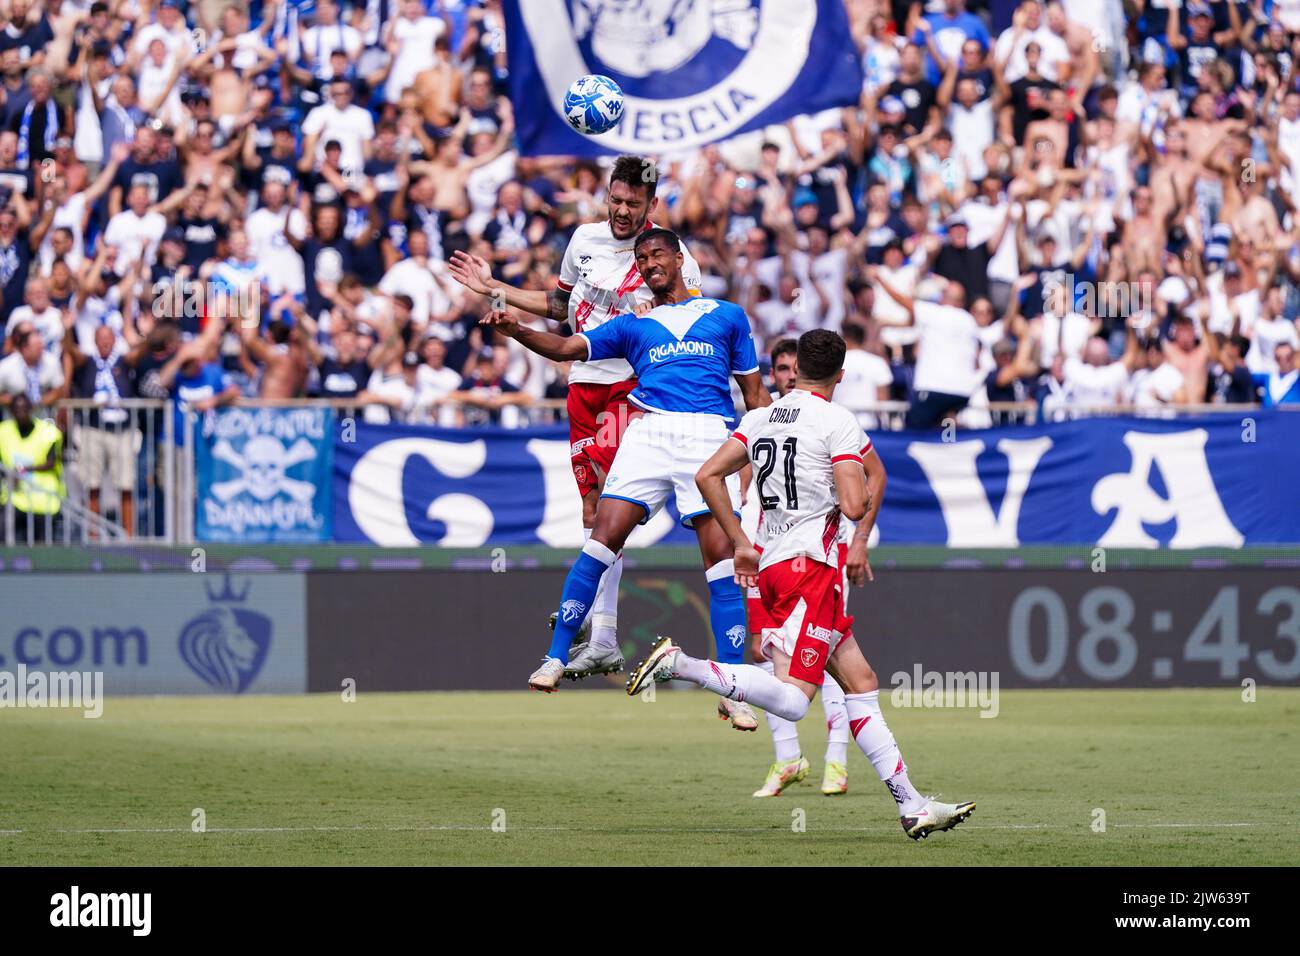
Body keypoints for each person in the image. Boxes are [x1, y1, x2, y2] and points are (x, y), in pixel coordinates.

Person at [626, 329, 974, 841]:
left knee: (861, 682)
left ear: (797, 368)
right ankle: (681, 665)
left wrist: (740, 540)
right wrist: (843, 490)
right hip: (811, 567)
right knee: (793, 701)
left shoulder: (760, 417)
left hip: (772, 564)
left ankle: (913, 804)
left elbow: (707, 477)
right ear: (840, 374)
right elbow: (856, 505)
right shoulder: (837, 421)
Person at [481, 228, 771, 733]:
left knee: (721, 562)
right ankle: (555, 656)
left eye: (657, 253)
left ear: (680, 258)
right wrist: (518, 330)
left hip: (708, 435)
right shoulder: (633, 325)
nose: (649, 263)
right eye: (641, 258)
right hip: (649, 432)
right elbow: (567, 345)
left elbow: (755, 396)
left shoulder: (728, 316)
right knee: (602, 539)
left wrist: (758, 463)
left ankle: (732, 689)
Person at [448, 156, 705, 686]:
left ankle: (603, 635)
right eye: (615, 200)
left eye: (633, 204)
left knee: (613, 504)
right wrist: (493, 287)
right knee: (593, 510)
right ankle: (605, 639)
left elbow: (691, 319)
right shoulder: (584, 241)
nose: (622, 211)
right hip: (583, 381)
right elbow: (559, 307)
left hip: (632, 385)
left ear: (651, 206)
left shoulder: (667, 255)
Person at [746, 337, 887, 799]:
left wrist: (860, 539)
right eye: (780, 369)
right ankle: (788, 758)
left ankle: (836, 761)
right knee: (770, 655)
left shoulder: (831, 423)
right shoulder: (765, 422)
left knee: (826, 665)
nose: (787, 376)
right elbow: (739, 488)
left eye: (793, 367)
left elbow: (873, 477)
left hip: (819, 557)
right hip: (768, 553)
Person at [0, 392, 64, 542]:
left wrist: (24, 470)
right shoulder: (3, 431)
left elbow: (51, 462)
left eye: (23, 409)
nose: (20, 413)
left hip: (43, 498)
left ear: (31, 409)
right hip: (14, 497)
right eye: (16, 409)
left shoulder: (48, 432)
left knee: (43, 547)